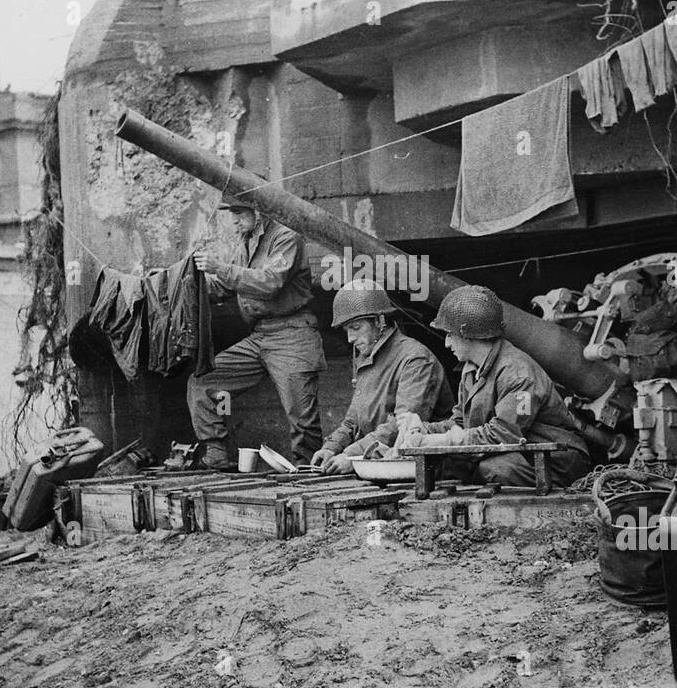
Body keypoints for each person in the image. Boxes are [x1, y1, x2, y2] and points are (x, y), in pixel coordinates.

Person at [187, 182, 325, 467]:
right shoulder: (246, 242)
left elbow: (270, 282)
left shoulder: (286, 236)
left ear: (257, 210)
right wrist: (185, 284)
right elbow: (227, 287)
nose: (234, 219)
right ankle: (216, 453)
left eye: (239, 211)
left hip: (292, 334)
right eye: (231, 213)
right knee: (204, 382)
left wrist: (220, 268)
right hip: (259, 336)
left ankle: (310, 473)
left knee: (301, 419)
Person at [400, 284, 592, 487]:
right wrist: (424, 430)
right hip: (521, 455)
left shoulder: (518, 374)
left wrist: (447, 441)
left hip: (556, 463)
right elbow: (460, 423)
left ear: (468, 334)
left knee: (494, 469)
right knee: (449, 465)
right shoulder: (470, 370)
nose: (447, 343)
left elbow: (505, 434)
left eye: (449, 334)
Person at [310, 280, 453, 475]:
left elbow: (403, 427)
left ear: (380, 321)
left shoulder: (415, 359)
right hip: (378, 462)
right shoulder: (365, 358)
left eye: (356, 327)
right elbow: (353, 422)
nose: (350, 338)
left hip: (424, 470)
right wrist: (331, 447)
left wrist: (351, 456)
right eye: (347, 330)